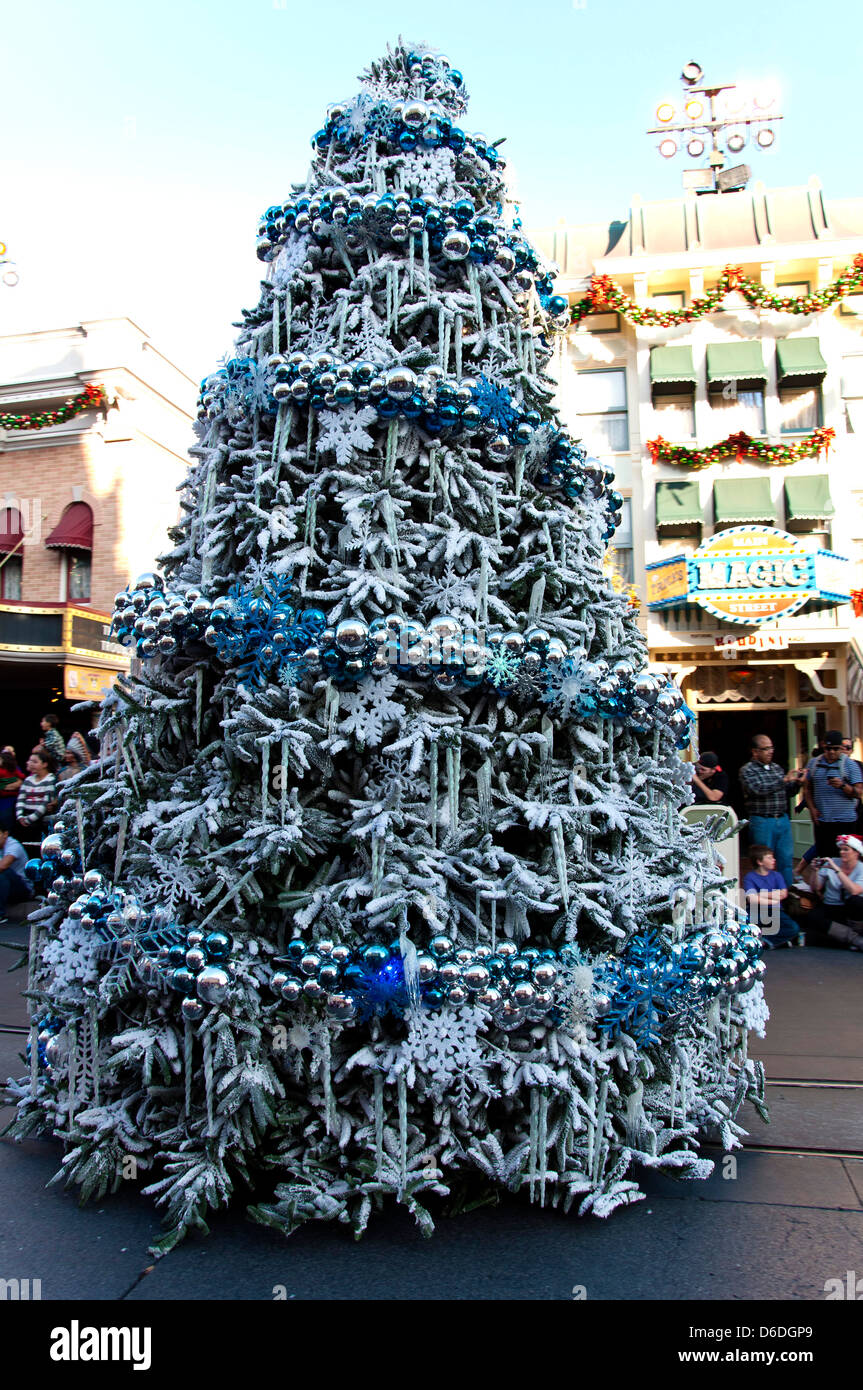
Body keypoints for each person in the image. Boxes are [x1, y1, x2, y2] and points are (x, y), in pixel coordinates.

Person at [738, 734, 804, 891]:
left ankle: (787, 898)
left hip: (782, 819)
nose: (770, 751)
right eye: (765, 748)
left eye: (771, 748)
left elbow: (786, 792)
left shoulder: (776, 768)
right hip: (762, 821)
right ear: (755, 752)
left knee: (786, 860)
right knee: (763, 862)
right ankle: (765, 899)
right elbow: (757, 790)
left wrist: (797, 783)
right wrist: (783, 781)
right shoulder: (747, 770)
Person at [803, 730, 863, 857]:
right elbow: (807, 788)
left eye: (835, 749)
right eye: (828, 749)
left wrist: (842, 786)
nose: (831, 752)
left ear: (841, 748)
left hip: (845, 822)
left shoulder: (850, 765)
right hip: (823, 821)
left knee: (844, 859)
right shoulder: (814, 763)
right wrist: (812, 809)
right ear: (823, 746)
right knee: (824, 859)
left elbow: (859, 793)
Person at [799, 834, 863, 950]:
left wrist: (837, 870)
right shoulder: (834, 861)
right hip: (832, 906)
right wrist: (815, 871)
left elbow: (854, 890)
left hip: (851, 909)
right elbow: (816, 888)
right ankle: (856, 940)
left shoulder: (861, 868)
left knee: (856, 901)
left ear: (856, 852)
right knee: (812, 917)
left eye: (846, 850)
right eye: (841, 849)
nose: (842, 852)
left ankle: (855, 936)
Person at [743, 844, 801, 947]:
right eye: (769, 858)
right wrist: (773, 897)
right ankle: (778, 942)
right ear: (760, 862)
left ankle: (766, 941)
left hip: (775, 911)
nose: (774, 860)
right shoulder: (750, 877)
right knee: (744, 926)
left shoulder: (776, 876)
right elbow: (752, 899)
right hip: (756, 910)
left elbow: (783, 894)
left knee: (793, 928)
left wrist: (760, 894)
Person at [15, 750, 58, 840]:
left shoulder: (50, 779)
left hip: (40, 820)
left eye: (35, 762)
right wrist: (20, 816)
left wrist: (29, 819)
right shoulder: (28, 780)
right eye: (30, 761)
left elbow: (46, 803)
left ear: (44, 764)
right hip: (25, 818)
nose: (30, 764)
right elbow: (20, 799)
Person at [0, 825, 33, 924]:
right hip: (6, 889)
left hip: (22, 888)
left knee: (4, 873)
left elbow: (3, 865)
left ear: (5, 834)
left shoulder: (14, 845)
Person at [0, 749, 24, 831]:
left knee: (6, 819)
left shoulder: (14, 769)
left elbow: (20, 782)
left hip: (10, 801)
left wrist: (4, 786)